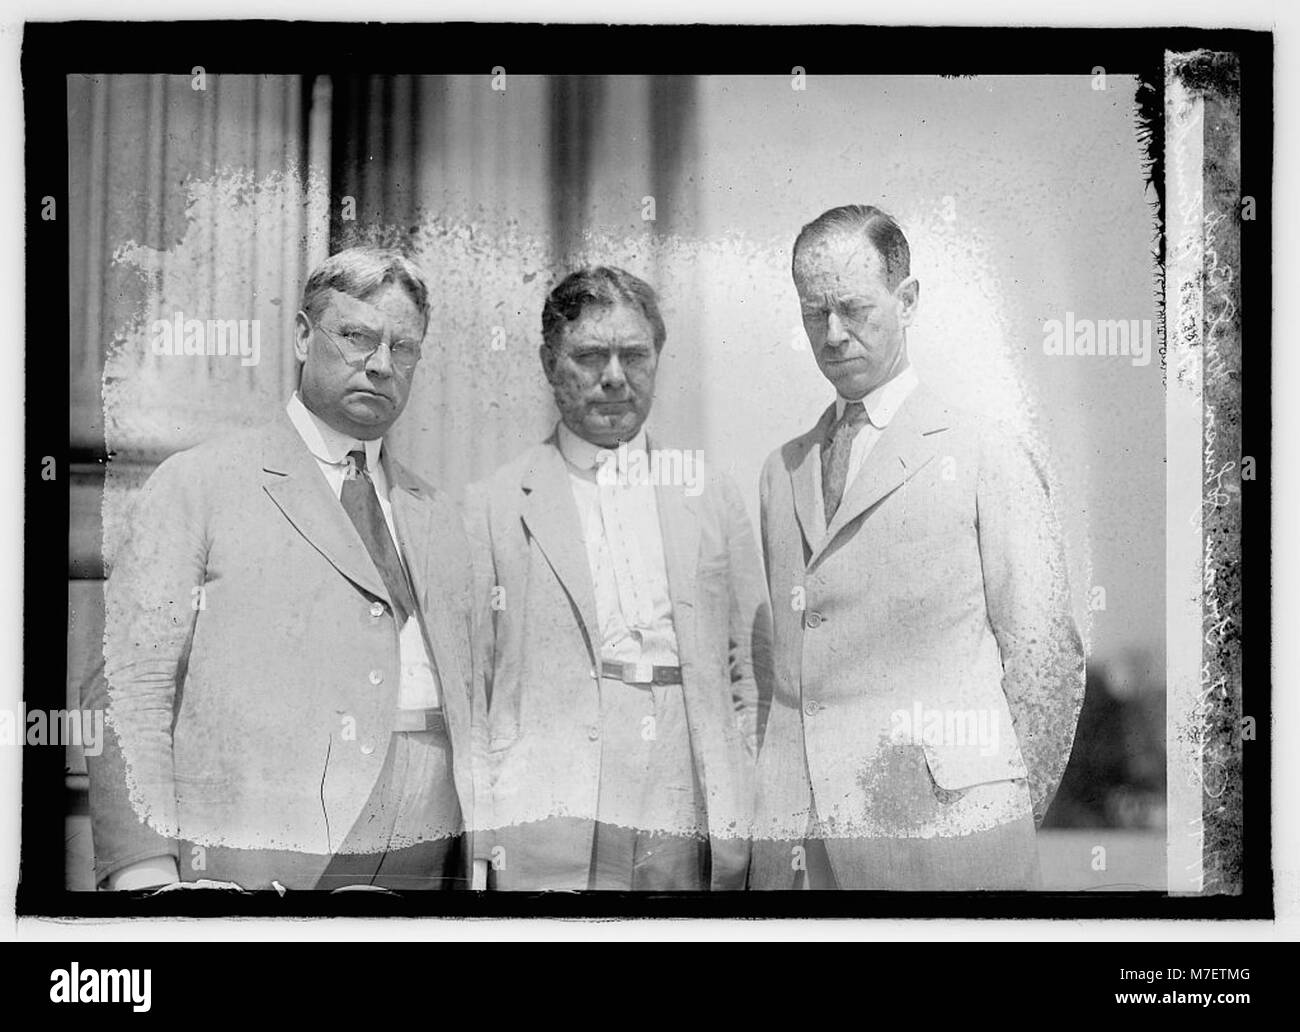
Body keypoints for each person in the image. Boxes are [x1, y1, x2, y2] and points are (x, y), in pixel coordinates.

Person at [86, 247, 480, 891]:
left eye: (403, 348)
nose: (381, 365)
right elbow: (130, 688)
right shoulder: (199, 484)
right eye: (357, 337)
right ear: (302, 335)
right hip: (260, 860)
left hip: (425, 859)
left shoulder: (436, 513)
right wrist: (144, 872)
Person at [750, 205, 1086, 890]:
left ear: (907, 301)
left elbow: (1047, 660)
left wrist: (995, 813)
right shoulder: (779, 473)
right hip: (805, 859)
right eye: (815, 314)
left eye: (854, 308)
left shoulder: (985, 450)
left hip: (954, 848)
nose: (834, 335)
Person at [465, 266, 772, 890]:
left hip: (688, 772)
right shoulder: (495, 504)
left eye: (633, 354)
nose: (613, 376)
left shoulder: (709, 493)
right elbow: (477, 683)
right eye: (589, 356)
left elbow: (753, 668)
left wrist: (741, 782)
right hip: (555, 786)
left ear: (657, 358)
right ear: (550, 363)